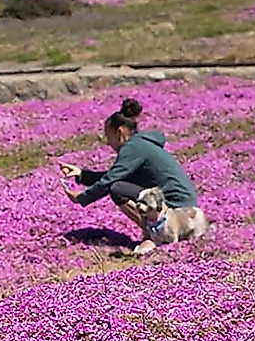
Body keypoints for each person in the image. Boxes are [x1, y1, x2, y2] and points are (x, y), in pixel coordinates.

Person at [60, 98, 198, 237]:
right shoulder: (141, 144)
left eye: (109, 137)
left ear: (120, 132)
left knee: (117, 190)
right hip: (189, 212)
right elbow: (114, 176)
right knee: (118, 184)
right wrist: (81, 174)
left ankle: (156, 232)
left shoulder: (133, 148)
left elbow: (110, 181)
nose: (108, 143)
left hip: (178, 210)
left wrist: (82, 198)